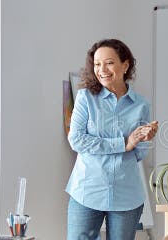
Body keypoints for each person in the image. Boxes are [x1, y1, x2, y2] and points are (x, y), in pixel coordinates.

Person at [66, 39, 158, 240]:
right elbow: (76, 140)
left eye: (109, 63)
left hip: (126, 194)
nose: (102, 70)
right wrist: (123, 144)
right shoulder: (85, 98)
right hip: (87, 191)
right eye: (97, 64)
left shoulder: (141, 105)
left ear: (125, 65)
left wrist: (144, 139)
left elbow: (138, 154)